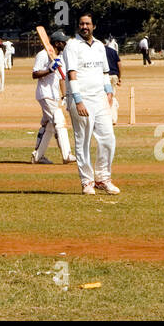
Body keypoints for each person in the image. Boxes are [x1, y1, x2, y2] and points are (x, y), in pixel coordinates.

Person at [62, 14, 116, 194]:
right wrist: (78, 100)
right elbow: (72, 74)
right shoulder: (72, 45)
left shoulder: (100, 46)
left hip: (99, 98)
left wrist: (109, 91)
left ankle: (103, 178)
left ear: (94, 26)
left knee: (108, 138)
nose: (84, 27)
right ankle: (87, 181)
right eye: (81, 24)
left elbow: (104, 72)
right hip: (81, 98)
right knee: (83, 140)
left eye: (88, 24)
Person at [31, 29, 74, 164]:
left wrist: (65, 96)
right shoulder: (43, 55)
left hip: (54, 95)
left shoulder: (59, 57)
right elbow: (35, 74)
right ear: (57, 43)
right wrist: (49, 69)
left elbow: (61, 79)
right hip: (45, 94)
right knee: (59, 121)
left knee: (49, 125)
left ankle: (38, 156)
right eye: (63, 42)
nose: (65, 44)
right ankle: (67, 155)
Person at [104, 38, 121, 124]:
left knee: (105, 97)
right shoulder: (113, 51)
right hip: (114, 75)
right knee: (111, 96)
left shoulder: (98, 51)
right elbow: (119, 64)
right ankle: (113, 118)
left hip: (104, 76)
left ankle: (109, 118)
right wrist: (119, 77)